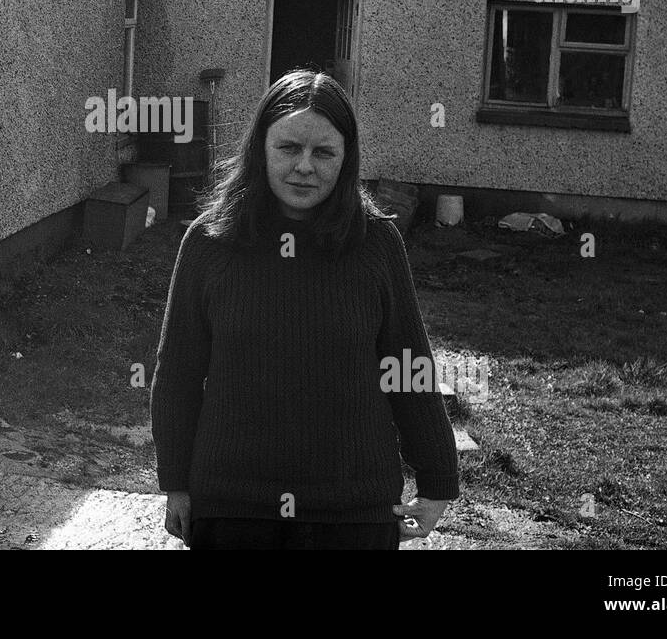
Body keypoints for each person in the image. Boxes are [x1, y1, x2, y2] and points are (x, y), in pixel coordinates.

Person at [150, 70, 460, 550]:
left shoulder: (375, 244)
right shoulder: (211, 243)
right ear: (261, 149)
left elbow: (409, 368)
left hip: (352, 514)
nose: (304, 167)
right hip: (234, 510)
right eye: (289, 148)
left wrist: (438, 480)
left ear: (346, 157)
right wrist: (176, 482)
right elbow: (178, 374)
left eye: (324, 152)